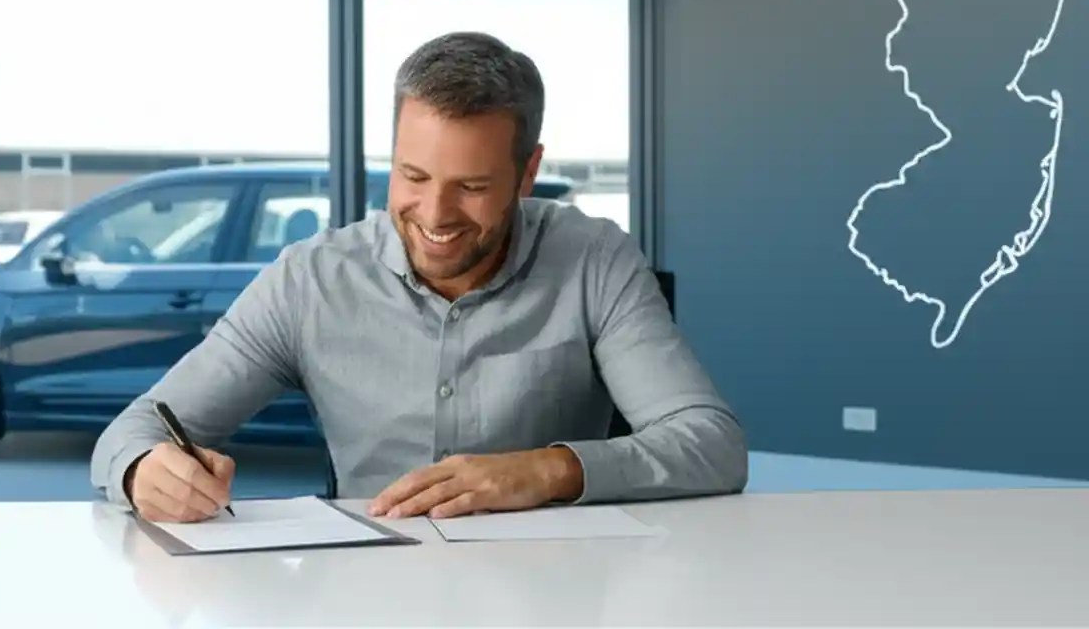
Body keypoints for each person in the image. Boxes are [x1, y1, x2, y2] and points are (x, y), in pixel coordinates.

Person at [90, 31, 747, 523]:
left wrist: (550, 469)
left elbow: (713, 446)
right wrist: (146, 469)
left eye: (471, 186)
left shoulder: (594, 259)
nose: (435, 215)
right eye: (413, 176)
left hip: (559, 592)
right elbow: (135, 430)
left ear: (527, 172)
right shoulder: (311, 280)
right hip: (363, 593)